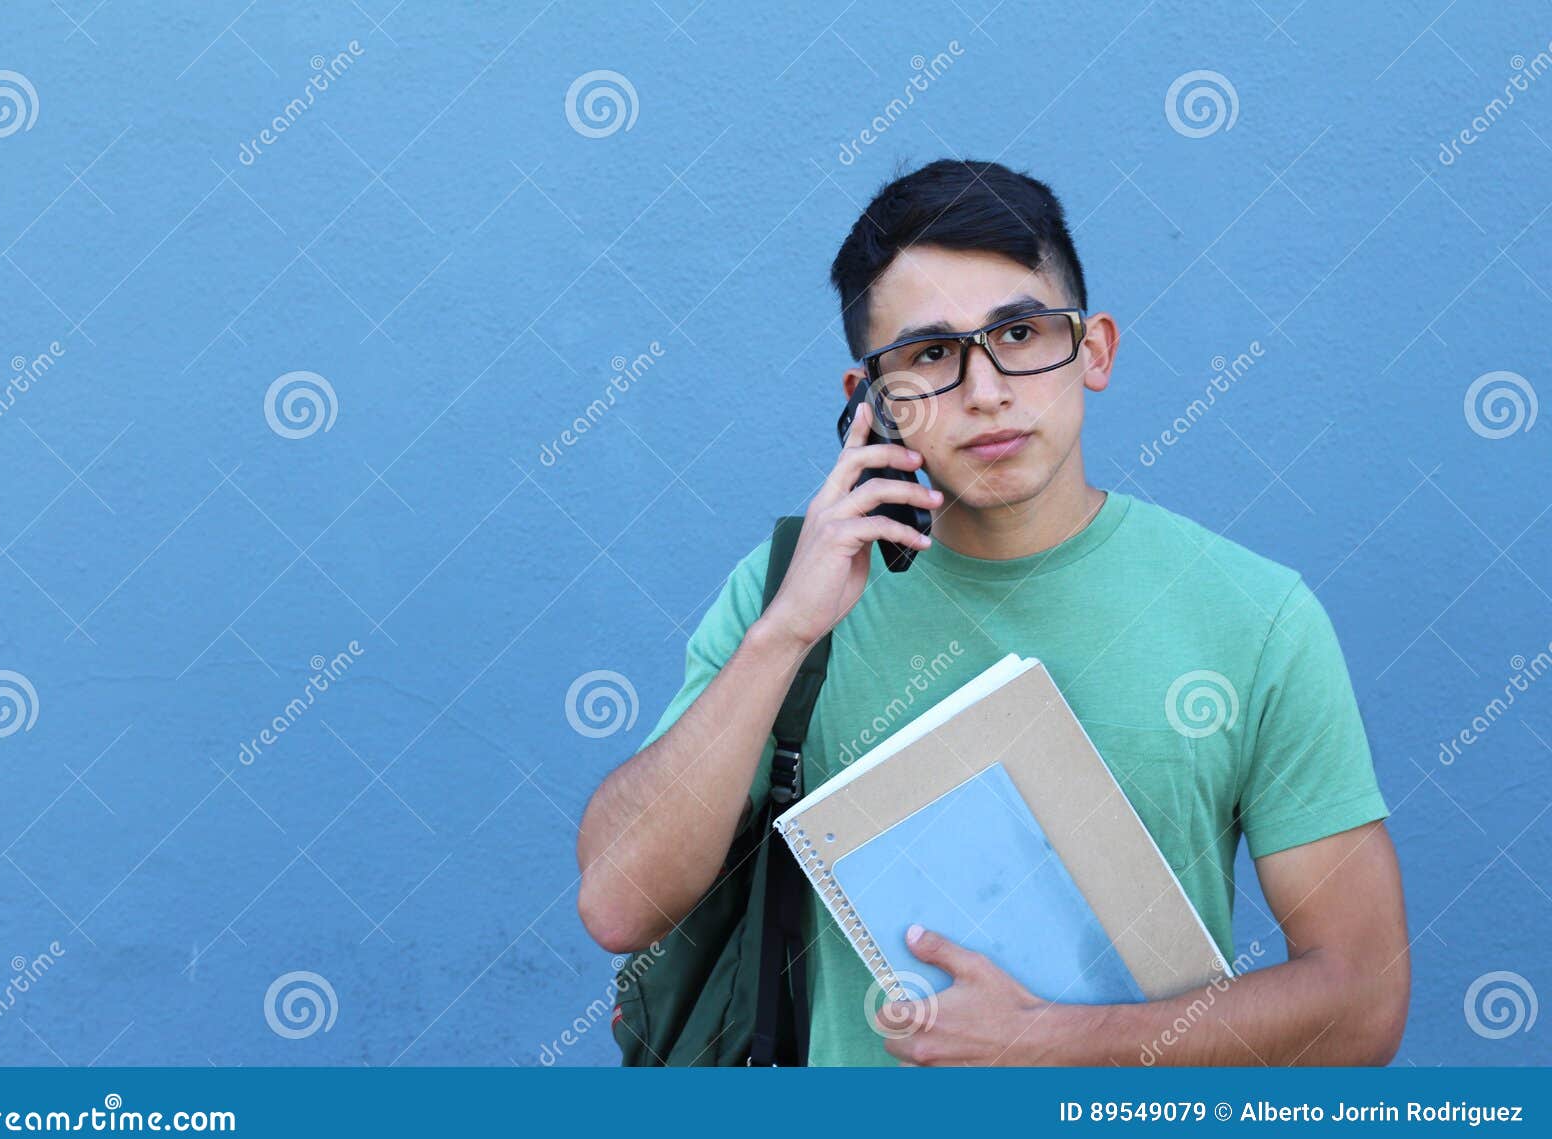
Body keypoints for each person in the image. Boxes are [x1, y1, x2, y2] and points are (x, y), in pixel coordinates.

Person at [575, 158, 1410, 1067]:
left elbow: (1362, 1000)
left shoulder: (1254, 616)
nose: (985, 390)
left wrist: (1051, 1043)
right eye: (930, 355)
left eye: (1019, 332)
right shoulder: (785, 590)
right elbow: (619, 907)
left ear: (1094, 350)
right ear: (872, 404)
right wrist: (785, 632)